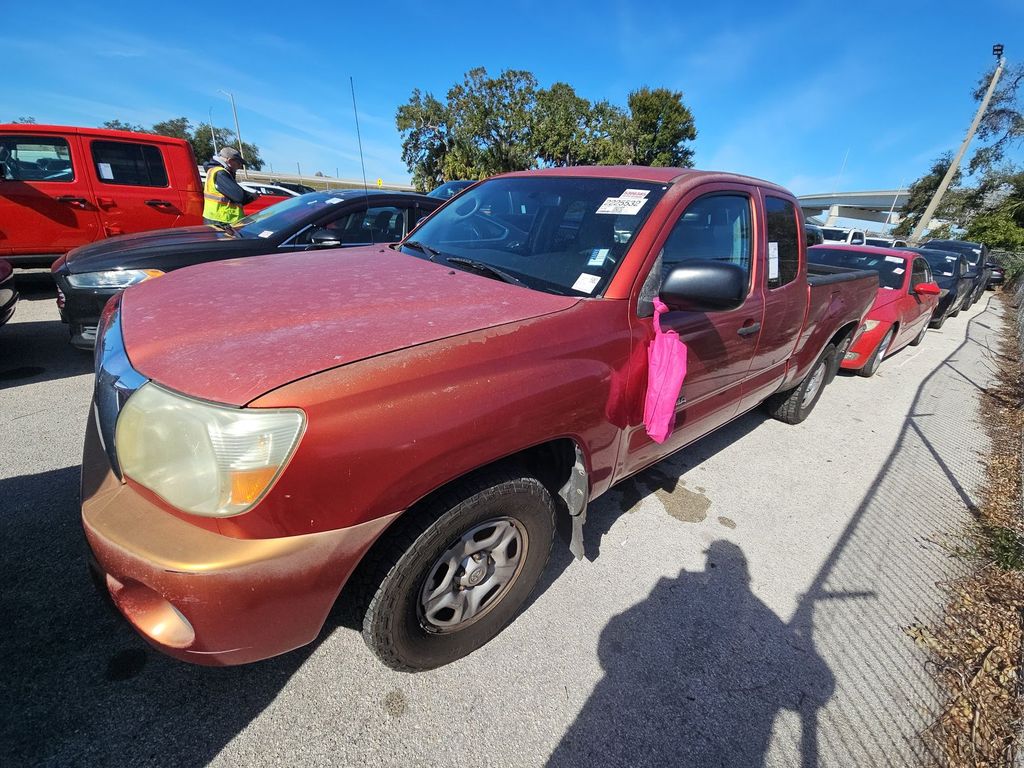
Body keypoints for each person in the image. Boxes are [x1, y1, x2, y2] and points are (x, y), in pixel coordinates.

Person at [202, 146, 258, 225]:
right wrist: (252, 196)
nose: (239, 166)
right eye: (238, 163)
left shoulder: (215, 171)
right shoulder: (220, 173)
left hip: (217, 219)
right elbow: (239, 196)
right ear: (230, 161)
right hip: (222, 221)